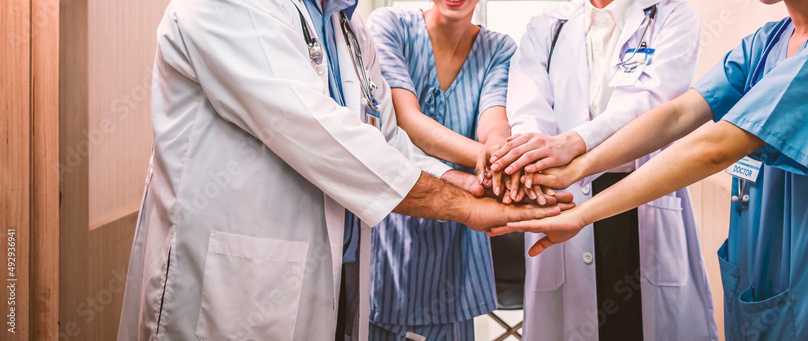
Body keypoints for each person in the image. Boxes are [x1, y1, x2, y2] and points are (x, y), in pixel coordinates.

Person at [115, 0, 572, 339]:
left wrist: (468, 183)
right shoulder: (230, 6)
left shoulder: (348, 28)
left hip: (332, 282)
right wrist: (464, 207)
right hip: (230, 289)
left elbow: (388, 139)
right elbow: (323, 137)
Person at [491, 0, 808, 339]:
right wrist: (573, 163)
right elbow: (677, 115)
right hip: (766, 282)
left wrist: (582, 213)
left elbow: (716, 148)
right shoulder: (767, 42)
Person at [490, 0, 717, 339]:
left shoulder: (671, 14)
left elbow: (654, 105)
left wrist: (573, 142)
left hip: (640, 196)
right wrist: (532, 156)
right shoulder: (545, 27)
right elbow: (527, 114)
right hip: (562, 198)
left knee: (634, 324)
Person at [362, 1, 518, 339]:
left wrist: (499, 150)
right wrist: (488, 158)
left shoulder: (499, 49)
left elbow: (494, 123)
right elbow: (407, 122)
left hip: (458, 245)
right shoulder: (390, 26)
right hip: (393, 232)